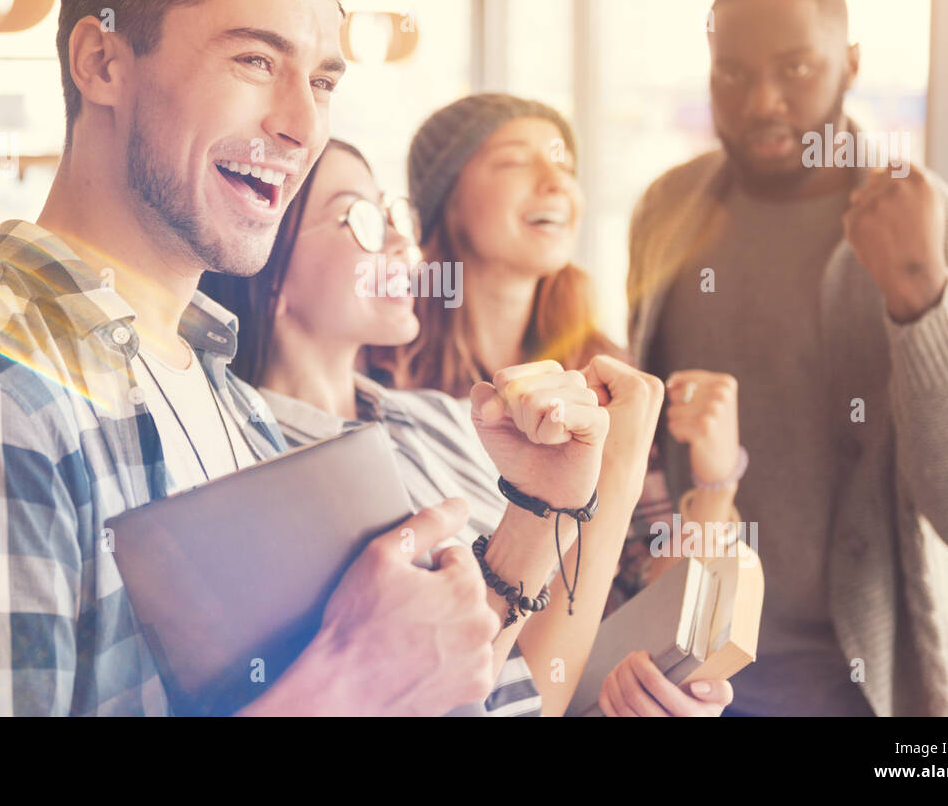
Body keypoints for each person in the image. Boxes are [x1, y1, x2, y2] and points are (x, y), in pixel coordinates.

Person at [0, 0, 598, 717]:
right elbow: (358, 685)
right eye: (256, 60)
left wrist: (541, 503)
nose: (301, 124)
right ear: (102, 61)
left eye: (323, 81)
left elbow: (437, 688)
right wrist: (343, 686)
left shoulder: (220, 392)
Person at [625, 0, 948, 715]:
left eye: (796, 68)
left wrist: (921, 299)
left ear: (851, 62)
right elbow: (645, 447)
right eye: (732, 73)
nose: (763, 103)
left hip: (862, 687)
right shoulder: (669, 209)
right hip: (679, 673)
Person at [202, 139, 728, 716]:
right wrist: (615, 479)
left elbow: (563, 643)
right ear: (267, 264)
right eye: (359, 218)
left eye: (393, 213)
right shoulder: (255, 466)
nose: (404, 243)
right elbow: (498, 700)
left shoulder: (440, 415)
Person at [365, 94, 745, 715]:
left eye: (563, 164)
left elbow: (656, 587)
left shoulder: (607, 374)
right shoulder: (381, 377)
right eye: (516, 161)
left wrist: (714, 480)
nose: (556, 184)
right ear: (446, 201)